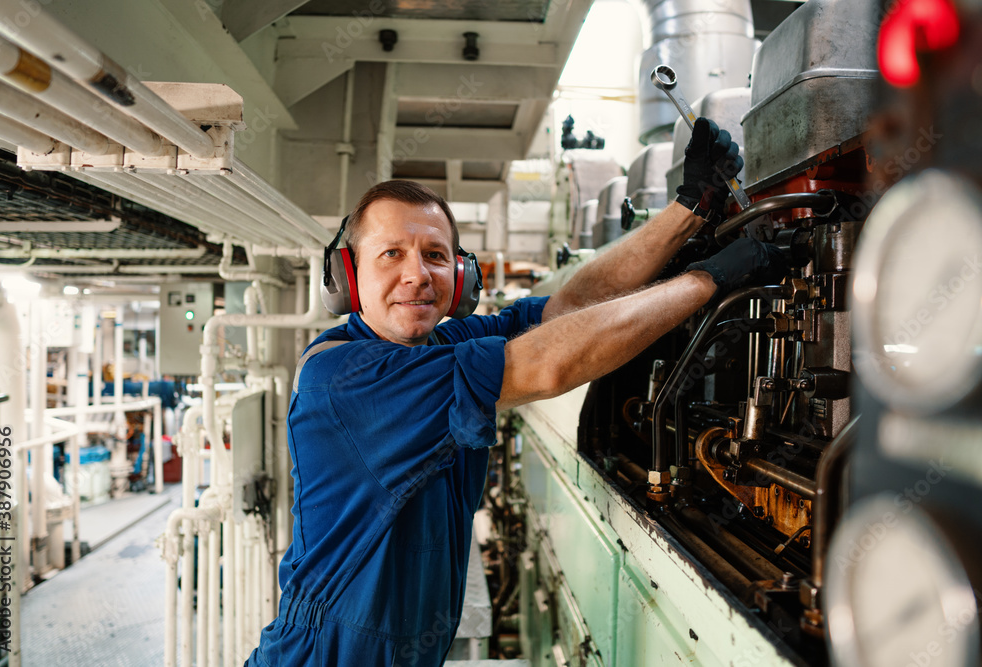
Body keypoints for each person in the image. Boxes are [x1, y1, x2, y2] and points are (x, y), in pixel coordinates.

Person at [245, 117, 787, 666]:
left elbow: (567, 310)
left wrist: (689, 209)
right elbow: (547, 365)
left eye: (434, 255)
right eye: (391, 254)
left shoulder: (437, 344)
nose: (417, 275)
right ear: (347, 274)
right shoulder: (349, 378)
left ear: (460, 276)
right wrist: (709, 279)